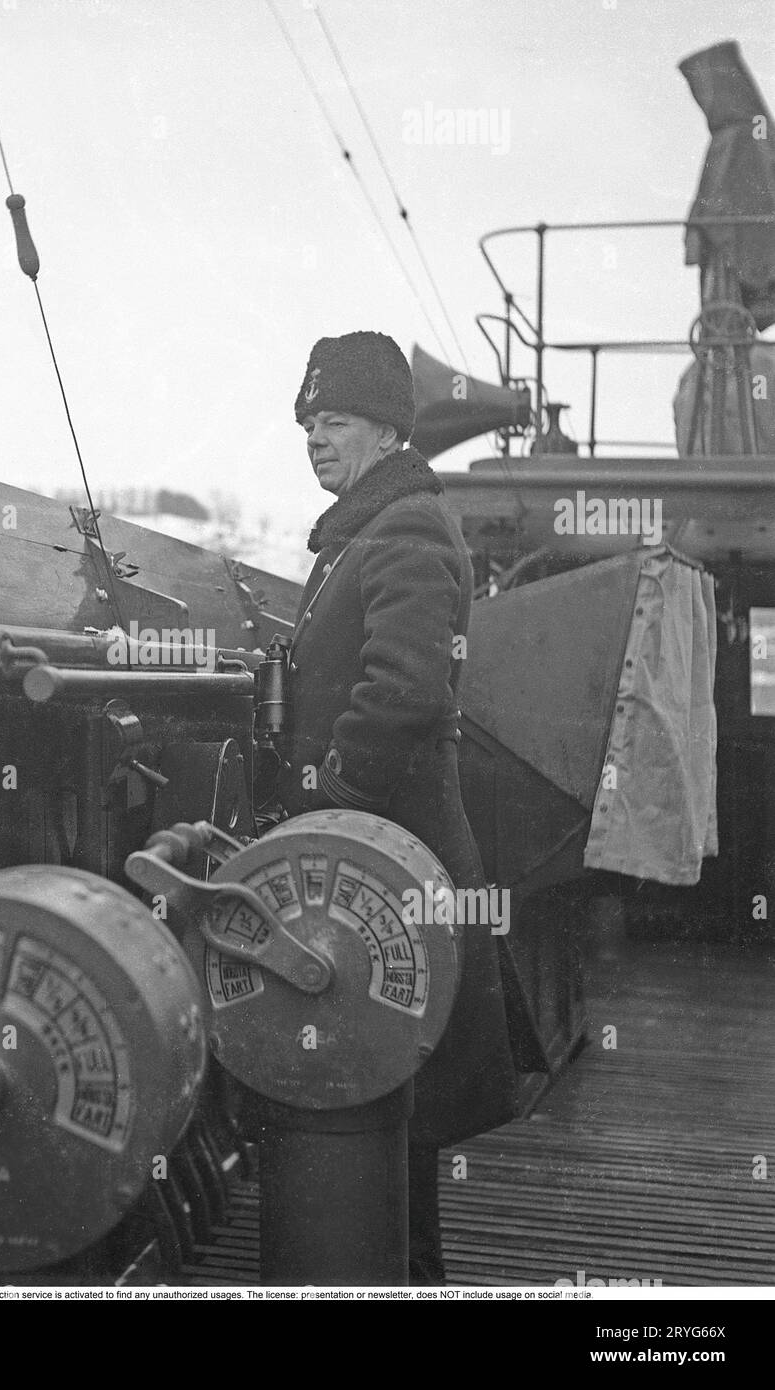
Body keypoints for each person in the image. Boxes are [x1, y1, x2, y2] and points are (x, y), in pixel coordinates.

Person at [280, 330, 545, 1283]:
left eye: (333, 420)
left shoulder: (402, 529)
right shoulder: (376, 526)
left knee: (399, 1100)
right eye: (307, 423)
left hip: (394, 862)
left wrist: (326, 797)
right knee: (396, 1108)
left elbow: (405, 691)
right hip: (386, 859)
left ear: (388, 427)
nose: (314, 437)